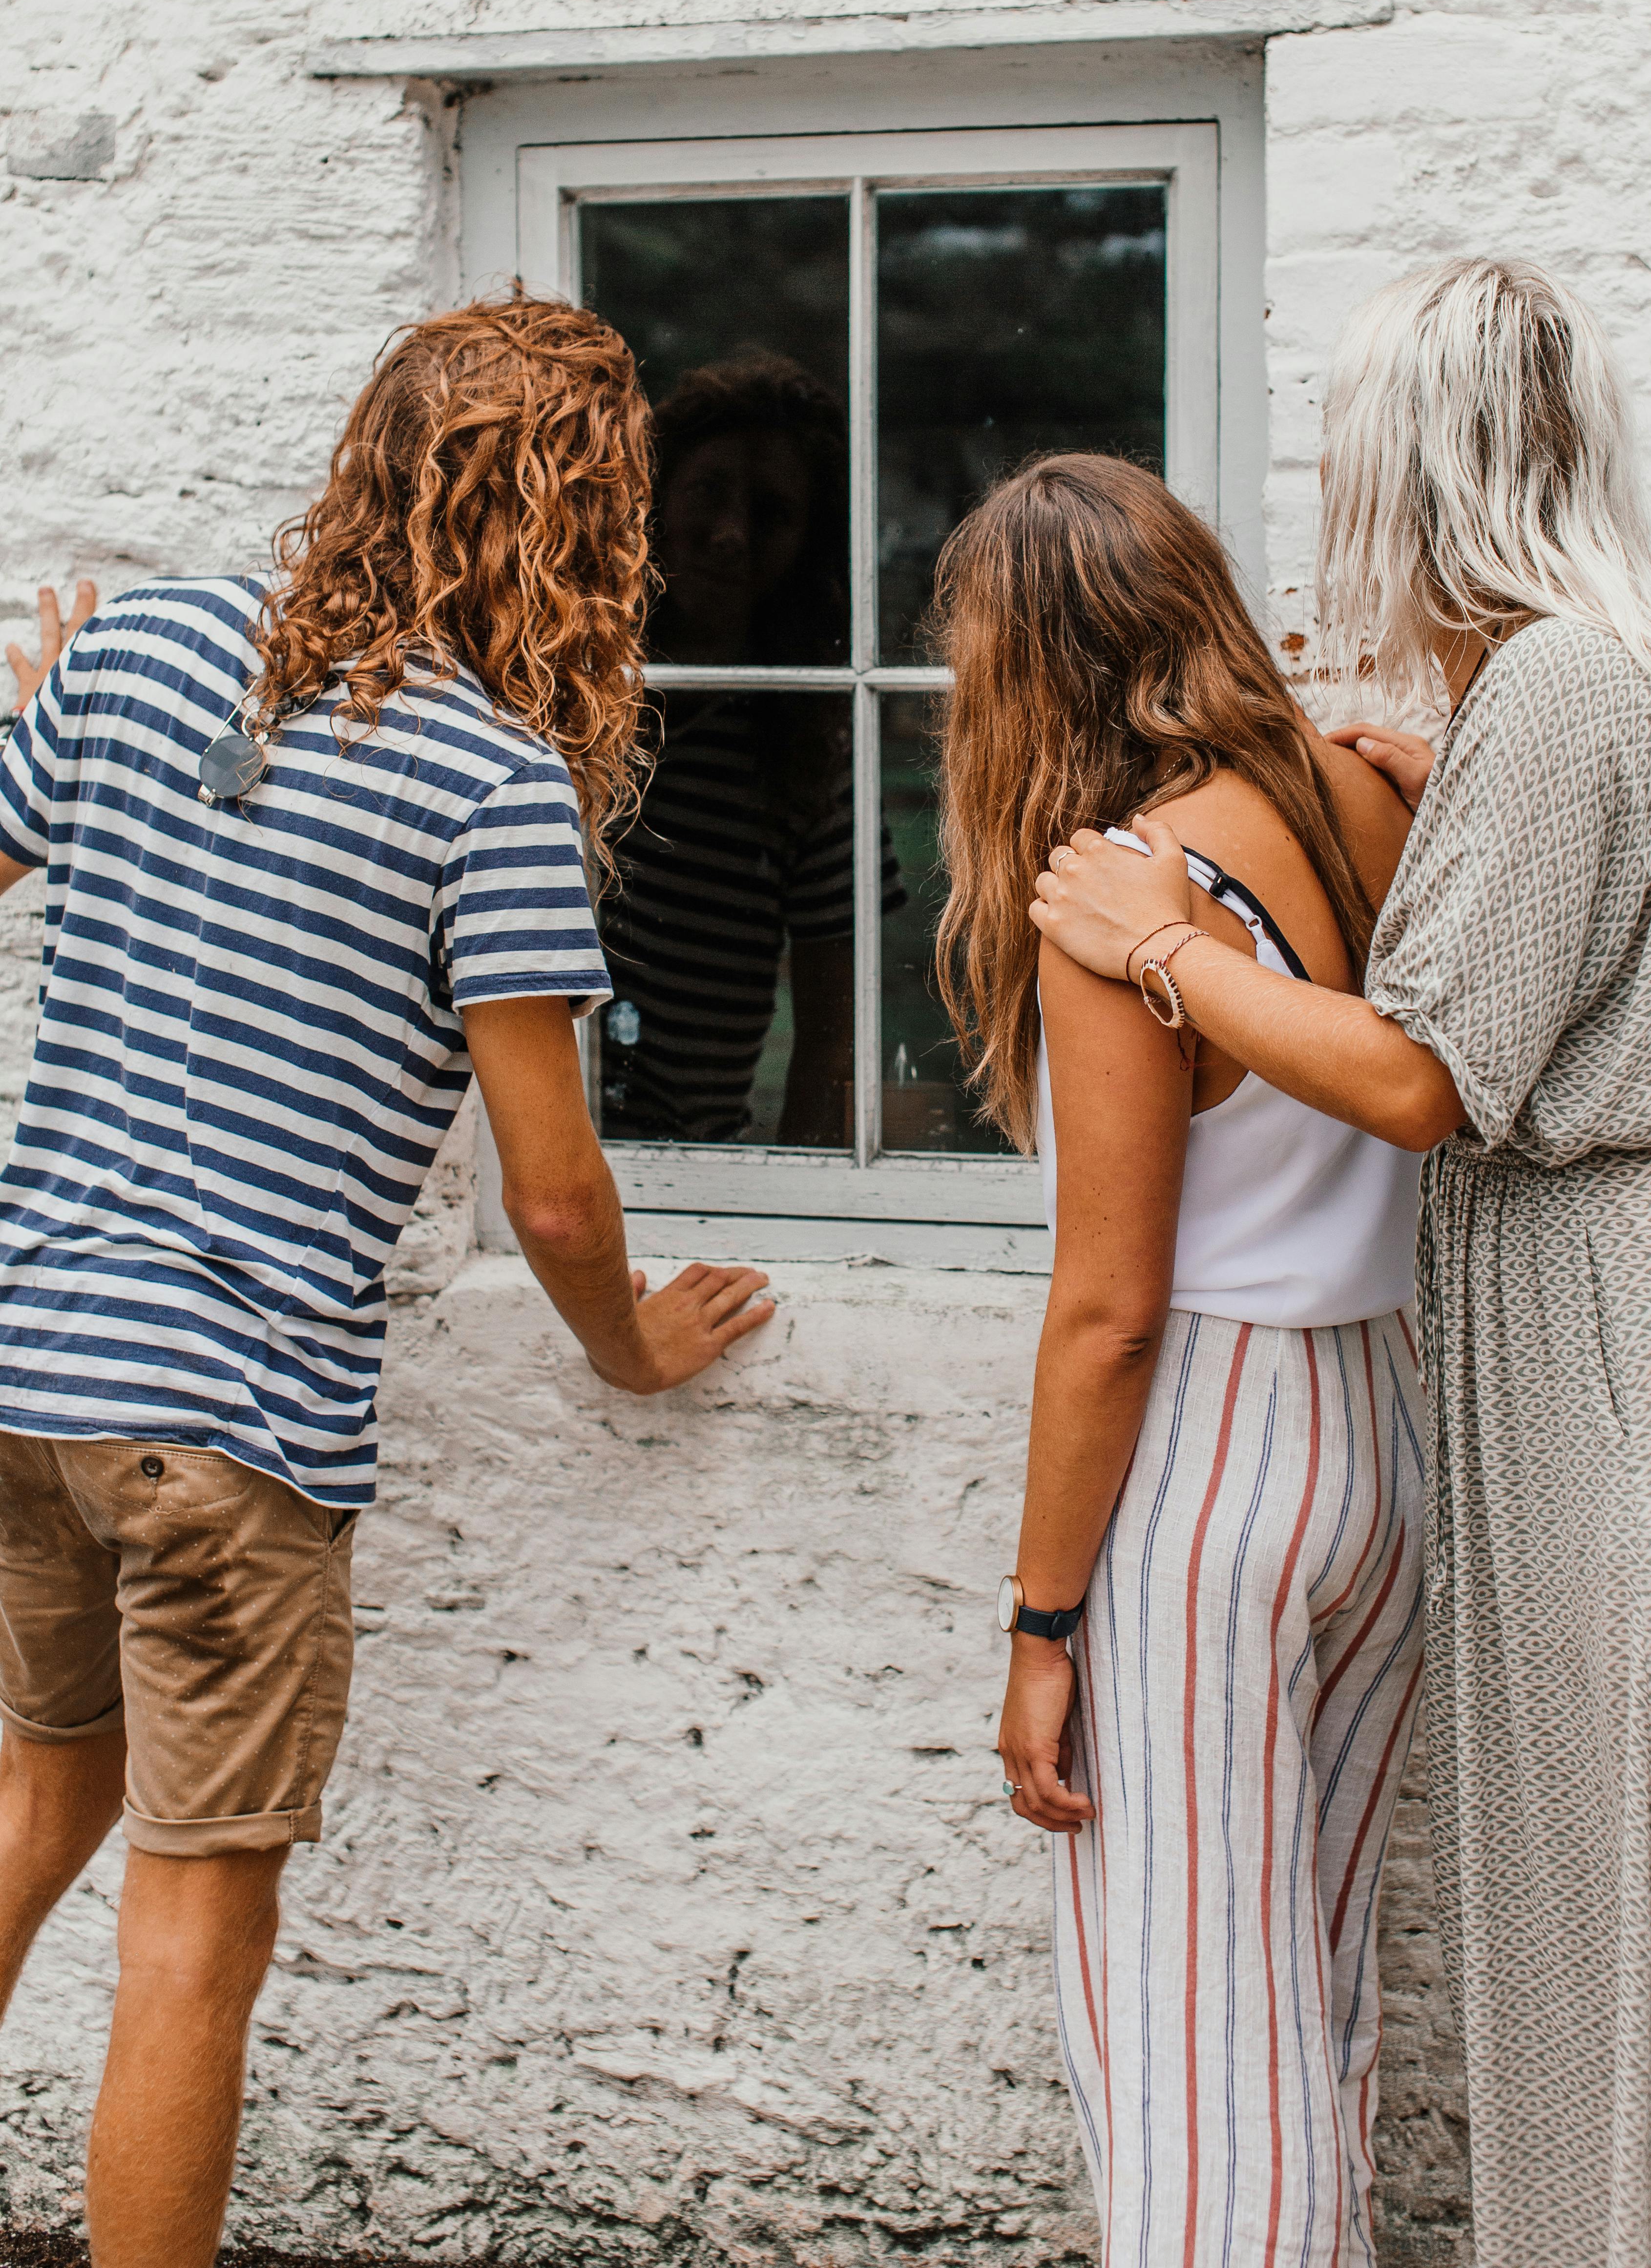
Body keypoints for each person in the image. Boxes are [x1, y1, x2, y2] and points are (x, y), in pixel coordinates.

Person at [0, 299, 773, 2268]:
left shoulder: (147, 649)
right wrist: (636, 1348)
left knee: (32, 1811)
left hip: (35, 1376)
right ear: (588, 532)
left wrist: (54, 718)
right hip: (227, 1429)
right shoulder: (495, 785)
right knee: (195, 1930)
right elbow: (558, 1197)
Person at [1029, 259, 1651, 2268]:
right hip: (1644, 1302)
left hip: (1636, 1325)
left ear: (1413, 470)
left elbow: (1428, 1075)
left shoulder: (1550, 691)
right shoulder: (1601, 673)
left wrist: (1162, 944)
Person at [930, 452, 1428, 2266]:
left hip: (1212, 1456)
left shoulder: (1117, 899)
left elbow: (1107, 1309)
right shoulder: (1358, 803)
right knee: (1309, 1975)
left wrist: (1038, 1625)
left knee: (1192, 2028)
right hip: (1376, 1431)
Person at [596, 352, 901, 1147]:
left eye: (771, 513)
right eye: (709, 492)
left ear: (808, 542)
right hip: (543, 1154)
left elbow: (835, 1044)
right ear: (656, 497)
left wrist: (795, 1210)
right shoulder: (570, 698)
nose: (731, 535)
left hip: (694, 1166)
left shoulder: (816, 744)